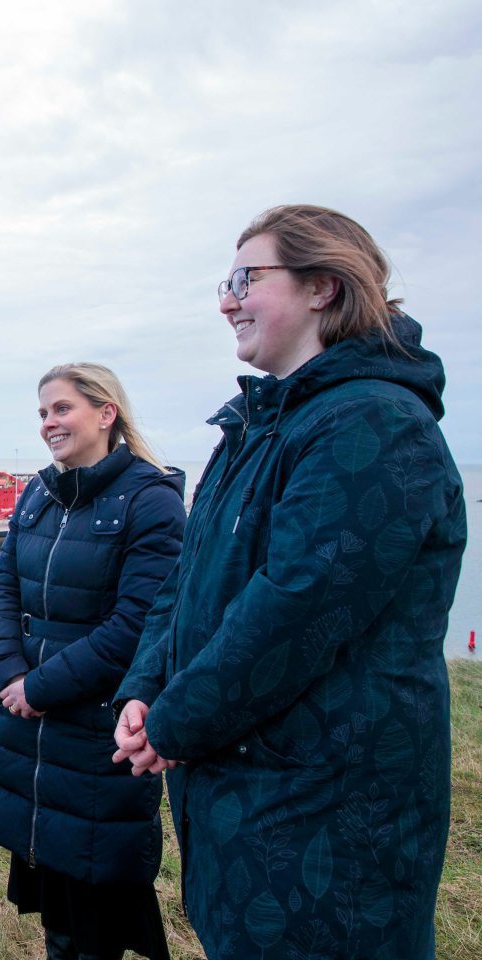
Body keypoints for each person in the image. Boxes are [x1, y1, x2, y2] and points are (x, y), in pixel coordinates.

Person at [113, 205, 466, 958]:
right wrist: (144, 688)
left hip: (329, 817)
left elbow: (297, 607)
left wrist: (173, 724)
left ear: (324, 288)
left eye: (248, 278)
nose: (226, 300)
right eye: (226, 280)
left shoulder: (374, 423)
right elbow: (186, 578)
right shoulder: (254, 427)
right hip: (250, 799)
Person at [0, 362, 185, 960]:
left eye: (61, 409)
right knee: (57, 908)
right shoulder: (39, 492)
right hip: (34, 738)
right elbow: (3, 588)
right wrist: (7, 675)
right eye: (43, 413)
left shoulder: (151, 502)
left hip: (99, 732)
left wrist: (37, 688)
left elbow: (138, 625)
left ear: (105, 413)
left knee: (97, 912)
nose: (48, 423)